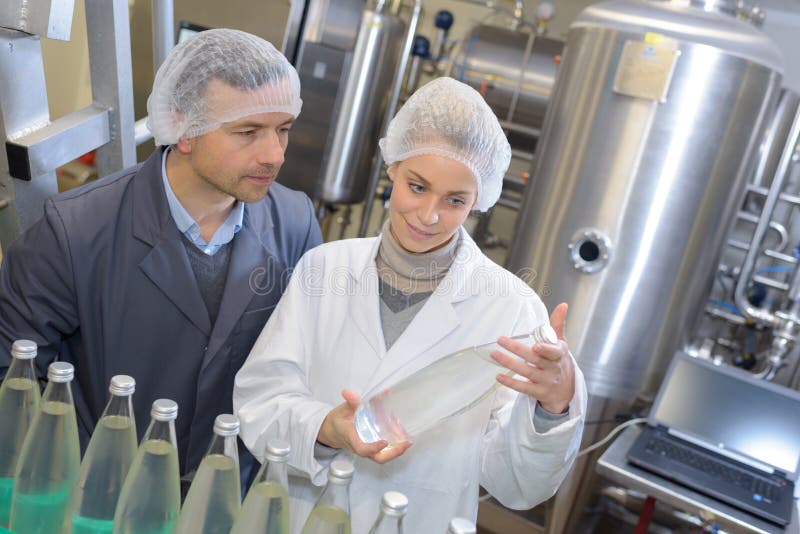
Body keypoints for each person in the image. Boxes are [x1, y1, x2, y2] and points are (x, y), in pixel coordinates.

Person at [234, 77, 587, 532]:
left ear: (478, 201)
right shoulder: (323, 268)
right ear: (393, 167)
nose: (429, 216)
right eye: (417, 187)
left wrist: (553, 407)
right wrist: (328, 428)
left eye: (455, 200)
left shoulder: (511, 309)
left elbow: (517, 485)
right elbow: (259, 403)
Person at [0, 29, 322, 484]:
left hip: (227, 494)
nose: (274, 154)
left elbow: (304, 363)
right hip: (100, 494)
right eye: (247, 132)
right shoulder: (74, 233)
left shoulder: (295, 223)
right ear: (182, 127)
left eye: (283, 129)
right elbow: (12, 381)